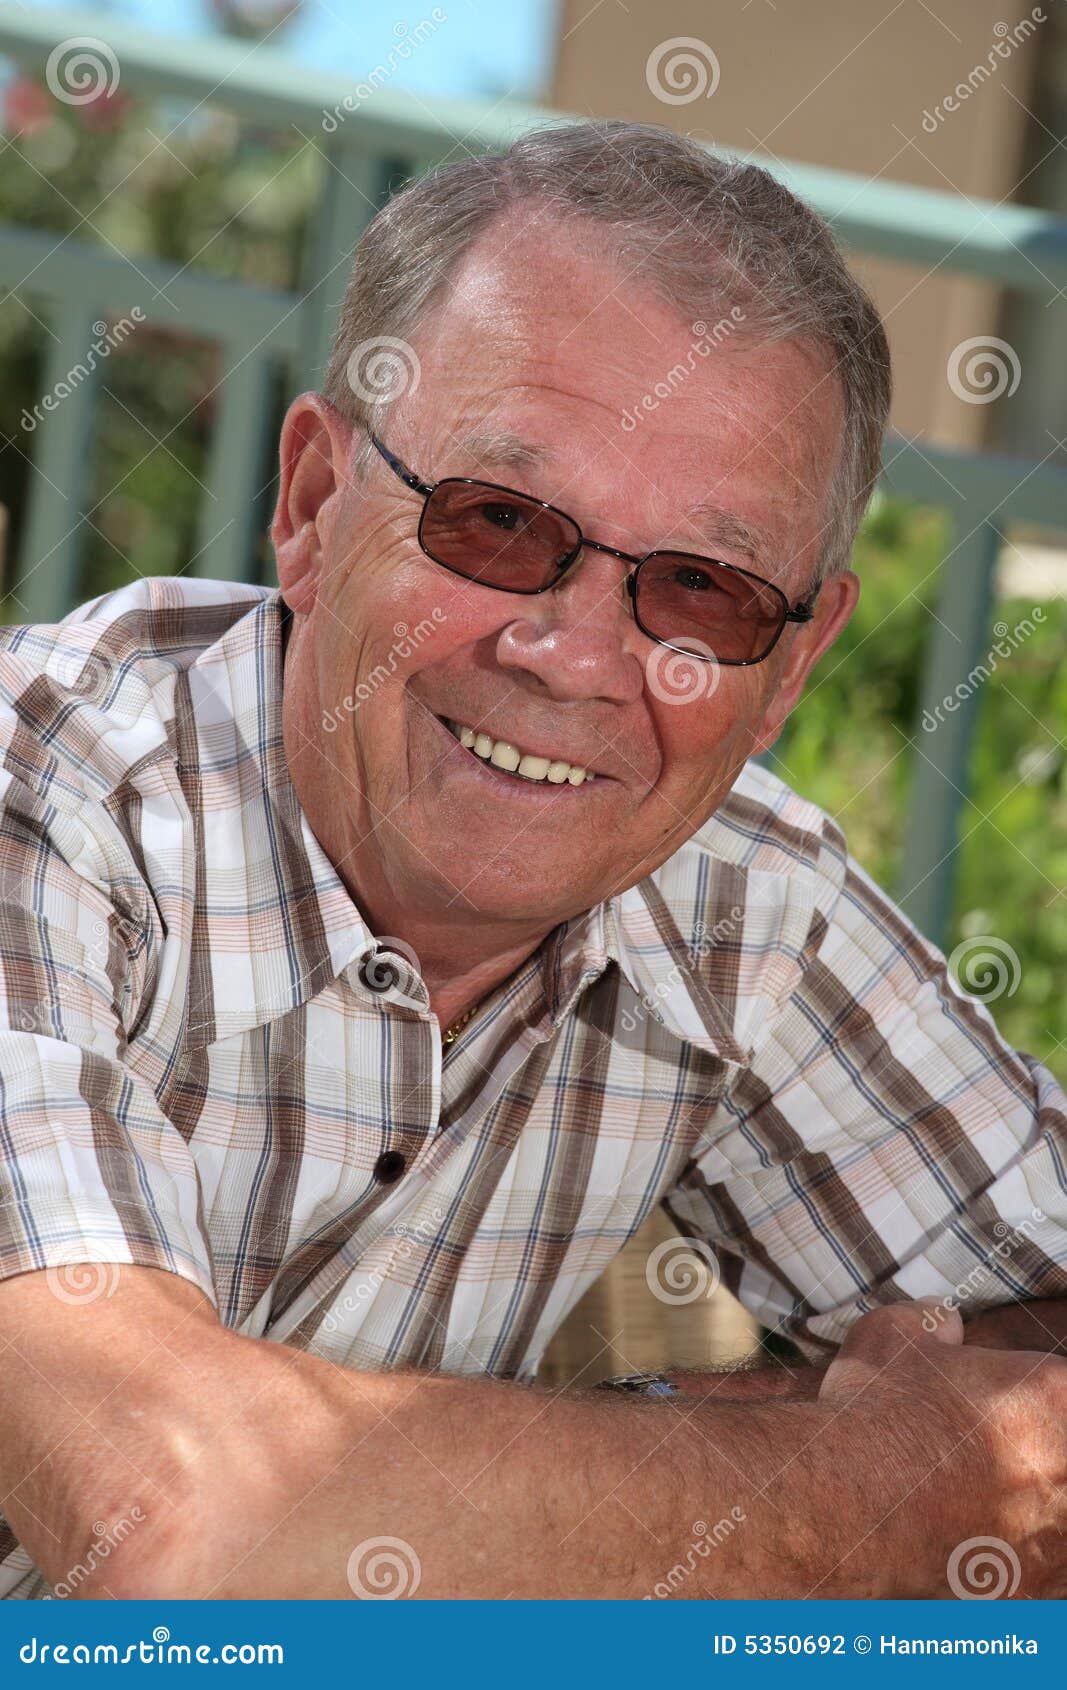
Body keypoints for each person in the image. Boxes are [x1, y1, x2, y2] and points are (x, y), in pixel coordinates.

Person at [0, 122, 1064, 1602]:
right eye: (498, 523)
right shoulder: (40, 792)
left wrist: (678, 1440)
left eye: (702, 588)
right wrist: (872, 1488)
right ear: (312, 507)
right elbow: (168, 1518)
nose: (572, 657)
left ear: (791, 666)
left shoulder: (740, 901)